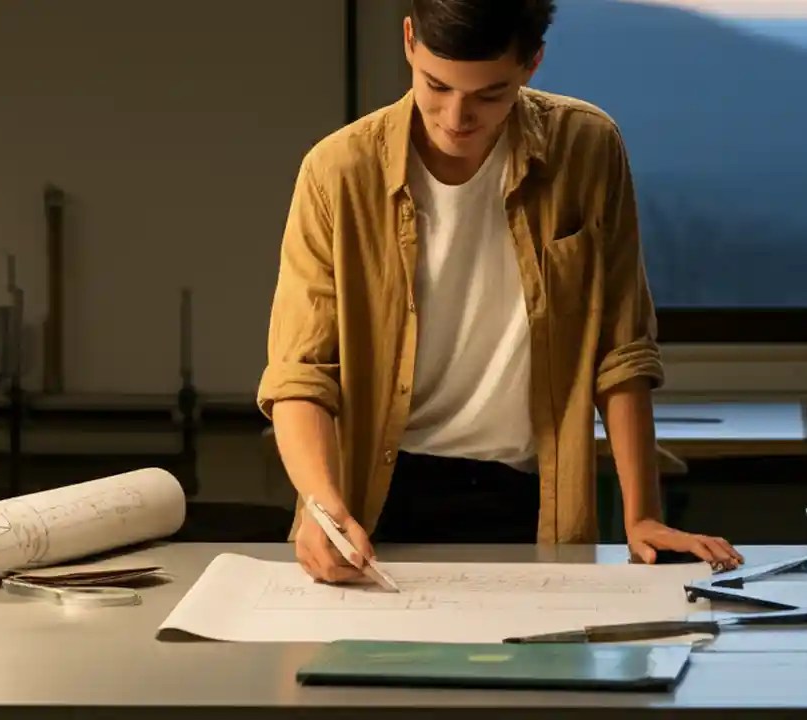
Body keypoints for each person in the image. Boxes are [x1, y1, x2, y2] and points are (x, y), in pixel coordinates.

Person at [257, 0, 743, 584]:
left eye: (490, 94)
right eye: (436, 85)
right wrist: (320, 504)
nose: (457, 117)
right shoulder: (337, 172)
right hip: (373, 500)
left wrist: (642, 516)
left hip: (534, 496)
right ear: (409, 40)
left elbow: (622, 348)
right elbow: (301, 372)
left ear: (532, 63)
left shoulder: (586, 148)